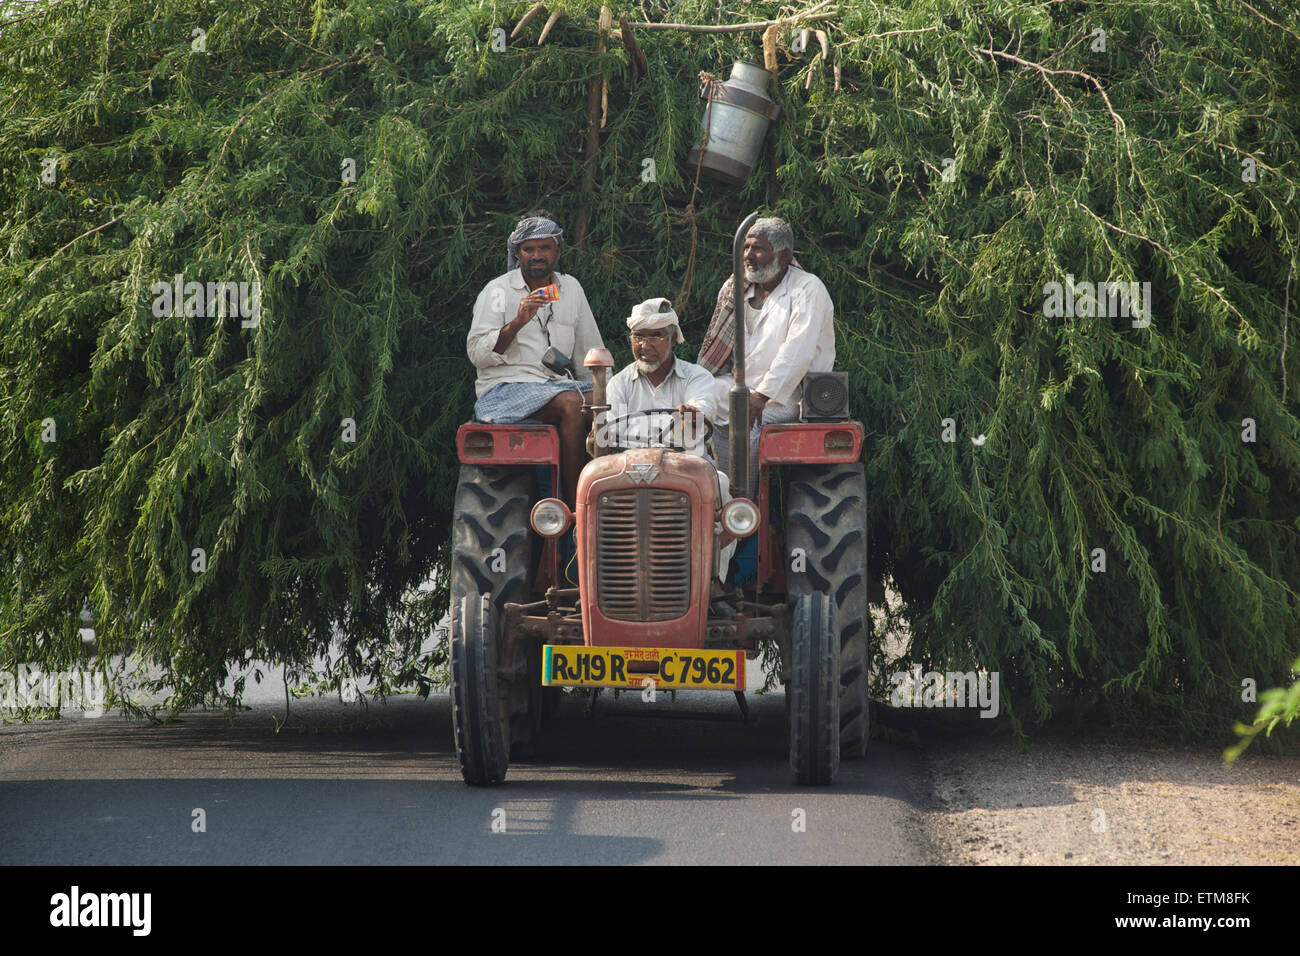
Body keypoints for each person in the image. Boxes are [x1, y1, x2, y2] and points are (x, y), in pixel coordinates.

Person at [605, 298, 738, 615]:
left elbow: (699, 417)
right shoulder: (618, 383)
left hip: (686, 471)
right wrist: (673, 425)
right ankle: (601, 584)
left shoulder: (697, 378)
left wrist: (684, 420)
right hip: (628, 471)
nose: (645, 345)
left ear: (673, 337)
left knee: (719, 485)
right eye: (639, 337)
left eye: (655, 336)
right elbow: (610, 432)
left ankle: (713, 578)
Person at [467, 212, 606, 507]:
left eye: (544, 248)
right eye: (529, 249)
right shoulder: (498, 291)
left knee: (608, 401)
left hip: (556, 385)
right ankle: (575, 509)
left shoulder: (571, 289)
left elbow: (588, 352)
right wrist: (517, 322)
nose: (536, 256)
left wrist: (603, 391)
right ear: (518, 253)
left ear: (557, 250)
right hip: (505, 389)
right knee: (571, 403)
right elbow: (477, 354)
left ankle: (609, 494)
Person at [696, 217, 835, 495]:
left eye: (758, 249)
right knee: (690, 412)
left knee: (747, 424)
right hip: (735, 390)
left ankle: (740, 508)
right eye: (745, 247)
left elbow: (798, 352)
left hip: (787, 397)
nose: (748, 255)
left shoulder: (808, 289)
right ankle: (703, 500)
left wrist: (761, 396)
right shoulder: (735, 287)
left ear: (783, 255)